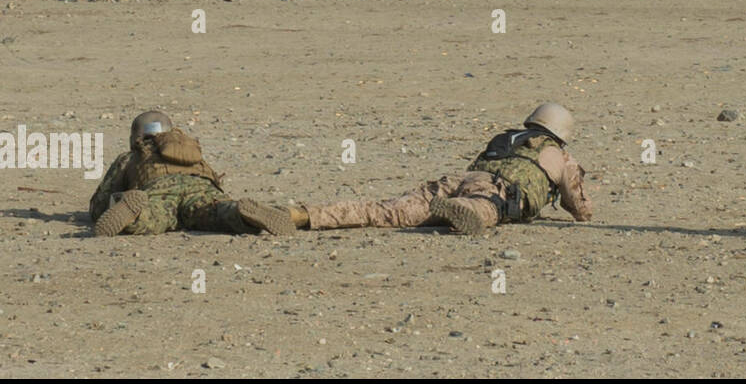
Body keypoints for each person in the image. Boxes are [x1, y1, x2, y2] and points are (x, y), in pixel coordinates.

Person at [293, 102, 592, 236]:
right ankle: (458, 210)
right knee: (484, 210)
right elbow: (578, 207)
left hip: (459, 180)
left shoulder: (508, 138)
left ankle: (302, 215)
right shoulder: (562, 157)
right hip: (494, 192)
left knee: (387, 211)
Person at [90, 111, 295, 237]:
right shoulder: (189, 150)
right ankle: (239, 214)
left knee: (154, 217)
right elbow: (213, 181)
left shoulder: (131, 156)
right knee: (214, 212)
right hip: (199, 187)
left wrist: (110, 206)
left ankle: (135, 213)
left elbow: (100, 202)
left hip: (159, 191)